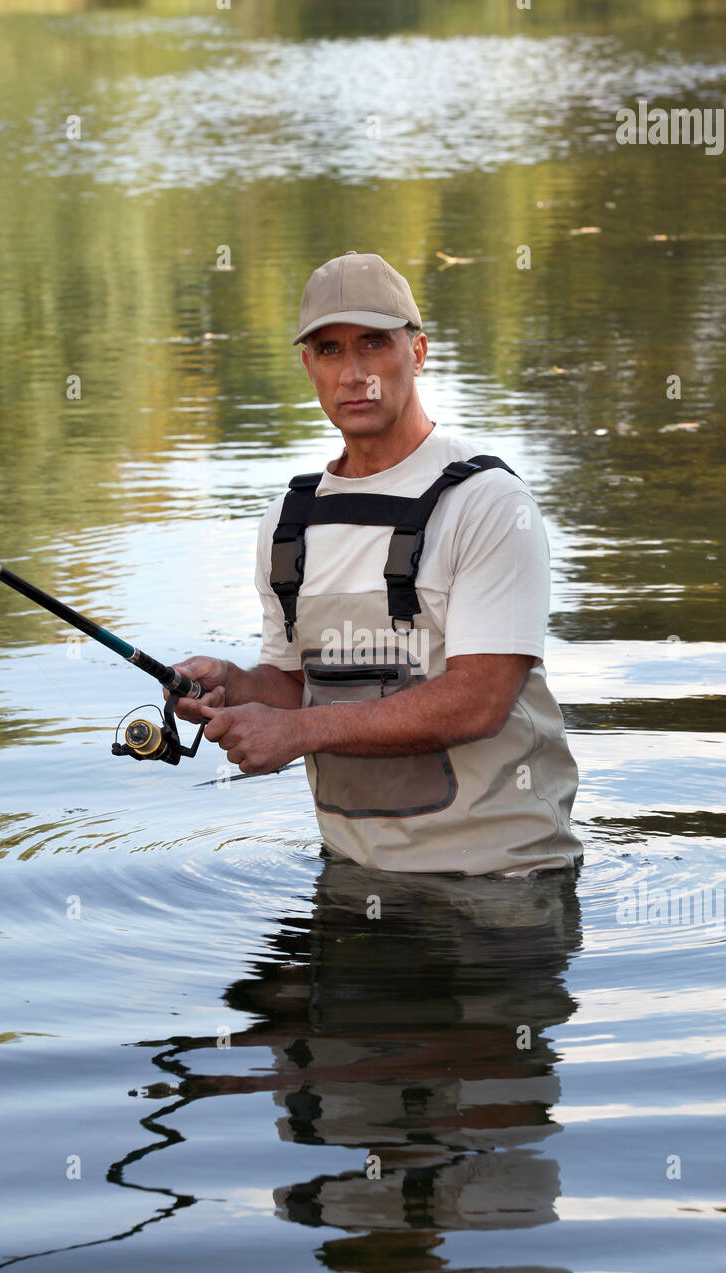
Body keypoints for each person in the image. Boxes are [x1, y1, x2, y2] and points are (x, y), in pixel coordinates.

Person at [172, 251, 582, 877]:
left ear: (417, 352)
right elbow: (293, 685)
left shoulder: (489, 502)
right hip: (349, 876)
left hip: (503, 890)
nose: (354, 373)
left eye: (373, 344)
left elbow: (479, 702)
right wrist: (232, 685)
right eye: (331, 351)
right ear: (308, 366)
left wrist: (300, 735)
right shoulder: (288, 519)